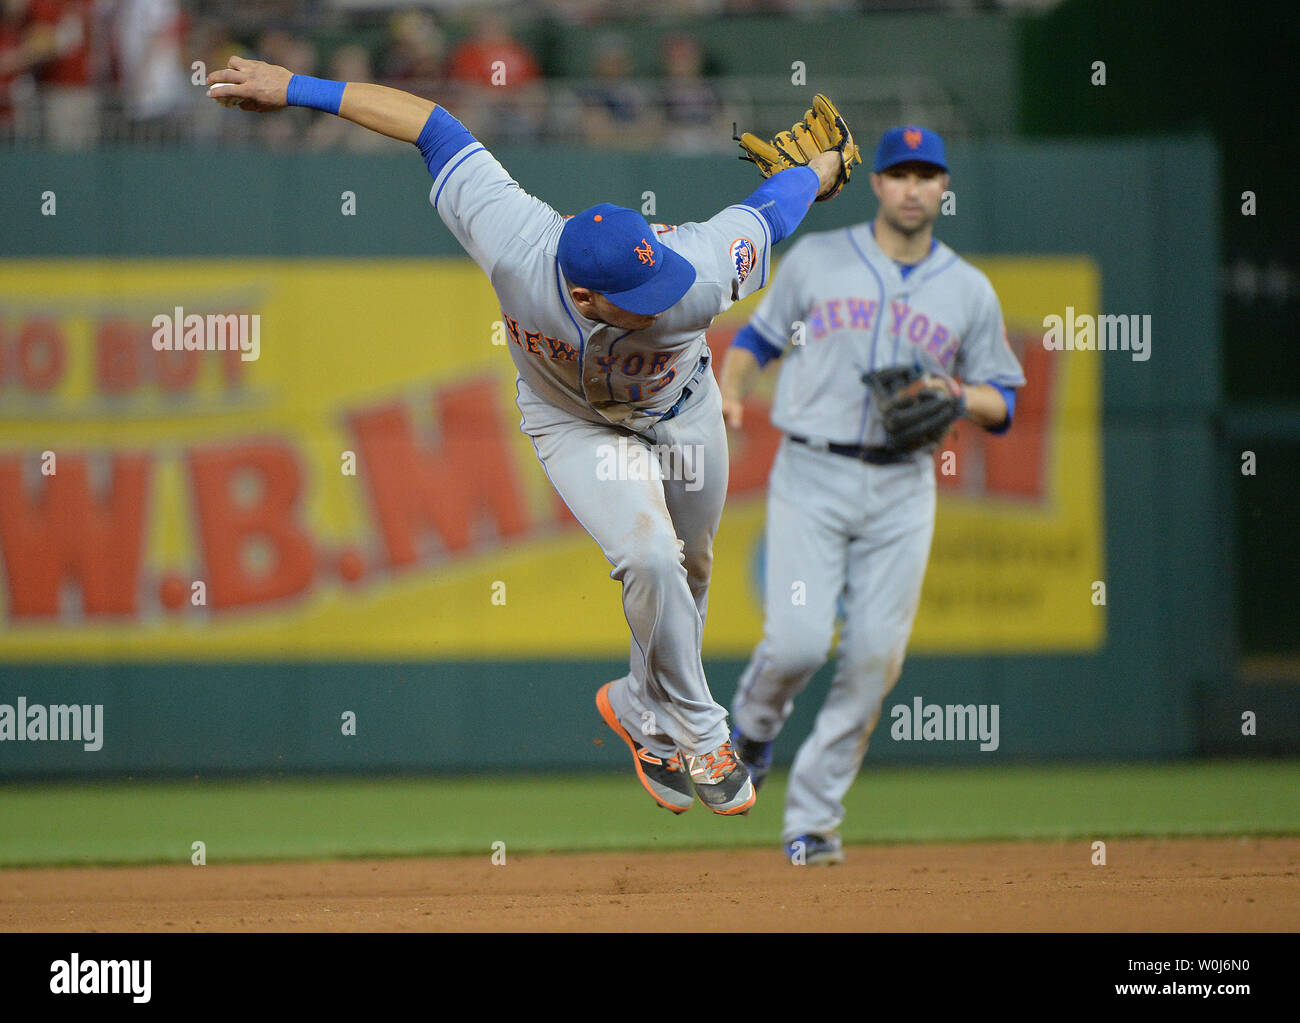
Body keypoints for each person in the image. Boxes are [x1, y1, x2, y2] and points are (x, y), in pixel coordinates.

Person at [204, 56, 851, 817]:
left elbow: (772, 207)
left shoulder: (695, 269)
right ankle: (705, 733)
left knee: (690, 571)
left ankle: (642, 713)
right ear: (582, 295)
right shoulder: (516, 241)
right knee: (649, 555)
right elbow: (431, 126)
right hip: (571, 422)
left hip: (683, 413)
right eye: (638, 299)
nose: (661, 299)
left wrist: (828, 166)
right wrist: (298, 89)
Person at [721, 126, 1027, 861]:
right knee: (795, 642)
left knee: (873, 660)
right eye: (900, 174)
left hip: (902, 485)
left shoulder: (968, 289)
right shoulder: (819, 261)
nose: (914, 187)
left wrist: (958, 392)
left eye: (928, 174)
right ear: (878, 183)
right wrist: (733, 393)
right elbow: (754, 344)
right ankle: (753, 727)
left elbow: (1005, 400)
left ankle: (812, 822)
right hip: (812, 472)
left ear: (943, 188)